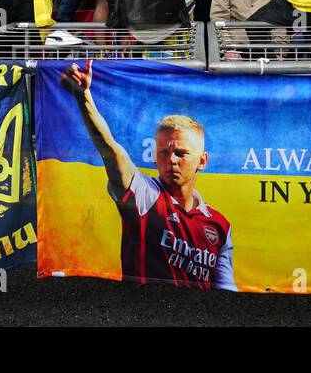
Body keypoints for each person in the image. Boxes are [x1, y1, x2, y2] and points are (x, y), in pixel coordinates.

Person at [59, 59, 235, 290]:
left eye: (180, 153)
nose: (171, 159)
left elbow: (226, 290)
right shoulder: (145, 195)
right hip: (144, 312)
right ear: (154, 157)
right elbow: (110, 149)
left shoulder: (220, 225)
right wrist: (84, 100)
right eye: (163, 152)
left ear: (202, 161)